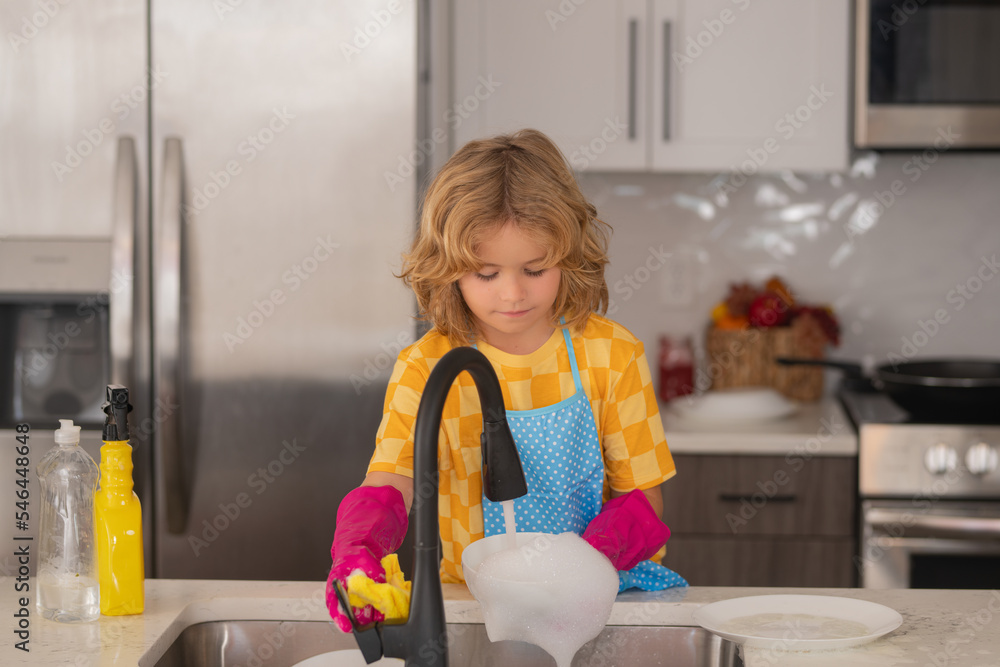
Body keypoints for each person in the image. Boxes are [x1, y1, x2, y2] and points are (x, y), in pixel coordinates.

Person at [327, 129, 684, 633]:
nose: (513, 293)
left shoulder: (610, 354)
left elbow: (644, 502)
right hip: (471, 611)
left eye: (535, 268)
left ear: (568, 254)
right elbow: (391, 482)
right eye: (486, 273)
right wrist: (358, 550)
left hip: (592, 604)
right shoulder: (426, 365)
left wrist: (574, 570)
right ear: (449, 269)